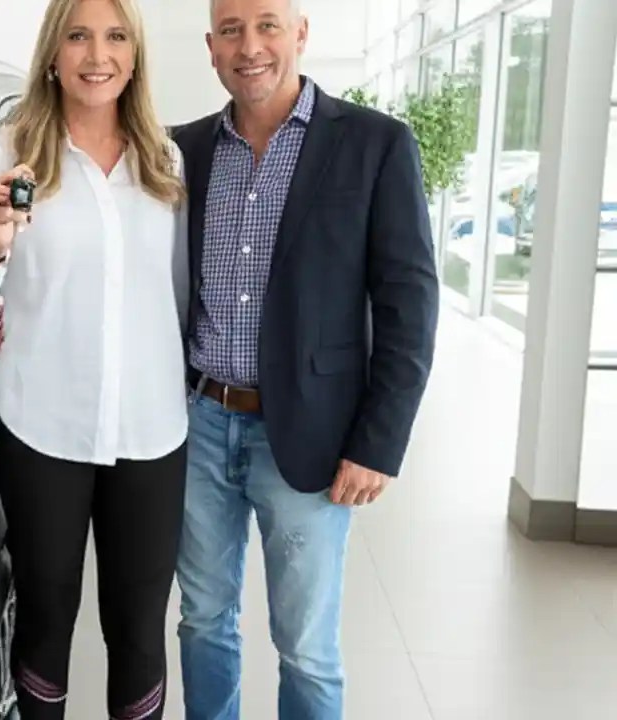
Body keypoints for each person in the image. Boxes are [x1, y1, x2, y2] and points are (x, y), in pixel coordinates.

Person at [169, 0, 439, 718]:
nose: (249, 45)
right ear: (210, 46)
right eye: (231, 30)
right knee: (202, 618)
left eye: (266, 25)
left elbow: (410, 303)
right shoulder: (183, 150)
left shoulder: (375, 145)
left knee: (306, 645)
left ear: (300, 34)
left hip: (313, 434)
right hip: (197, 423)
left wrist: (378, 442)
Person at [0, 0, 190, 717]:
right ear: (52, 52)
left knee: (138, 631)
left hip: (150, 429)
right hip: (44, 428)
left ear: (134, 56)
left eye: (114, 37)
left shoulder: (163, 160)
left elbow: (174, 295)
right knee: (45, 620)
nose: (96, 54)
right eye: (78, 35)